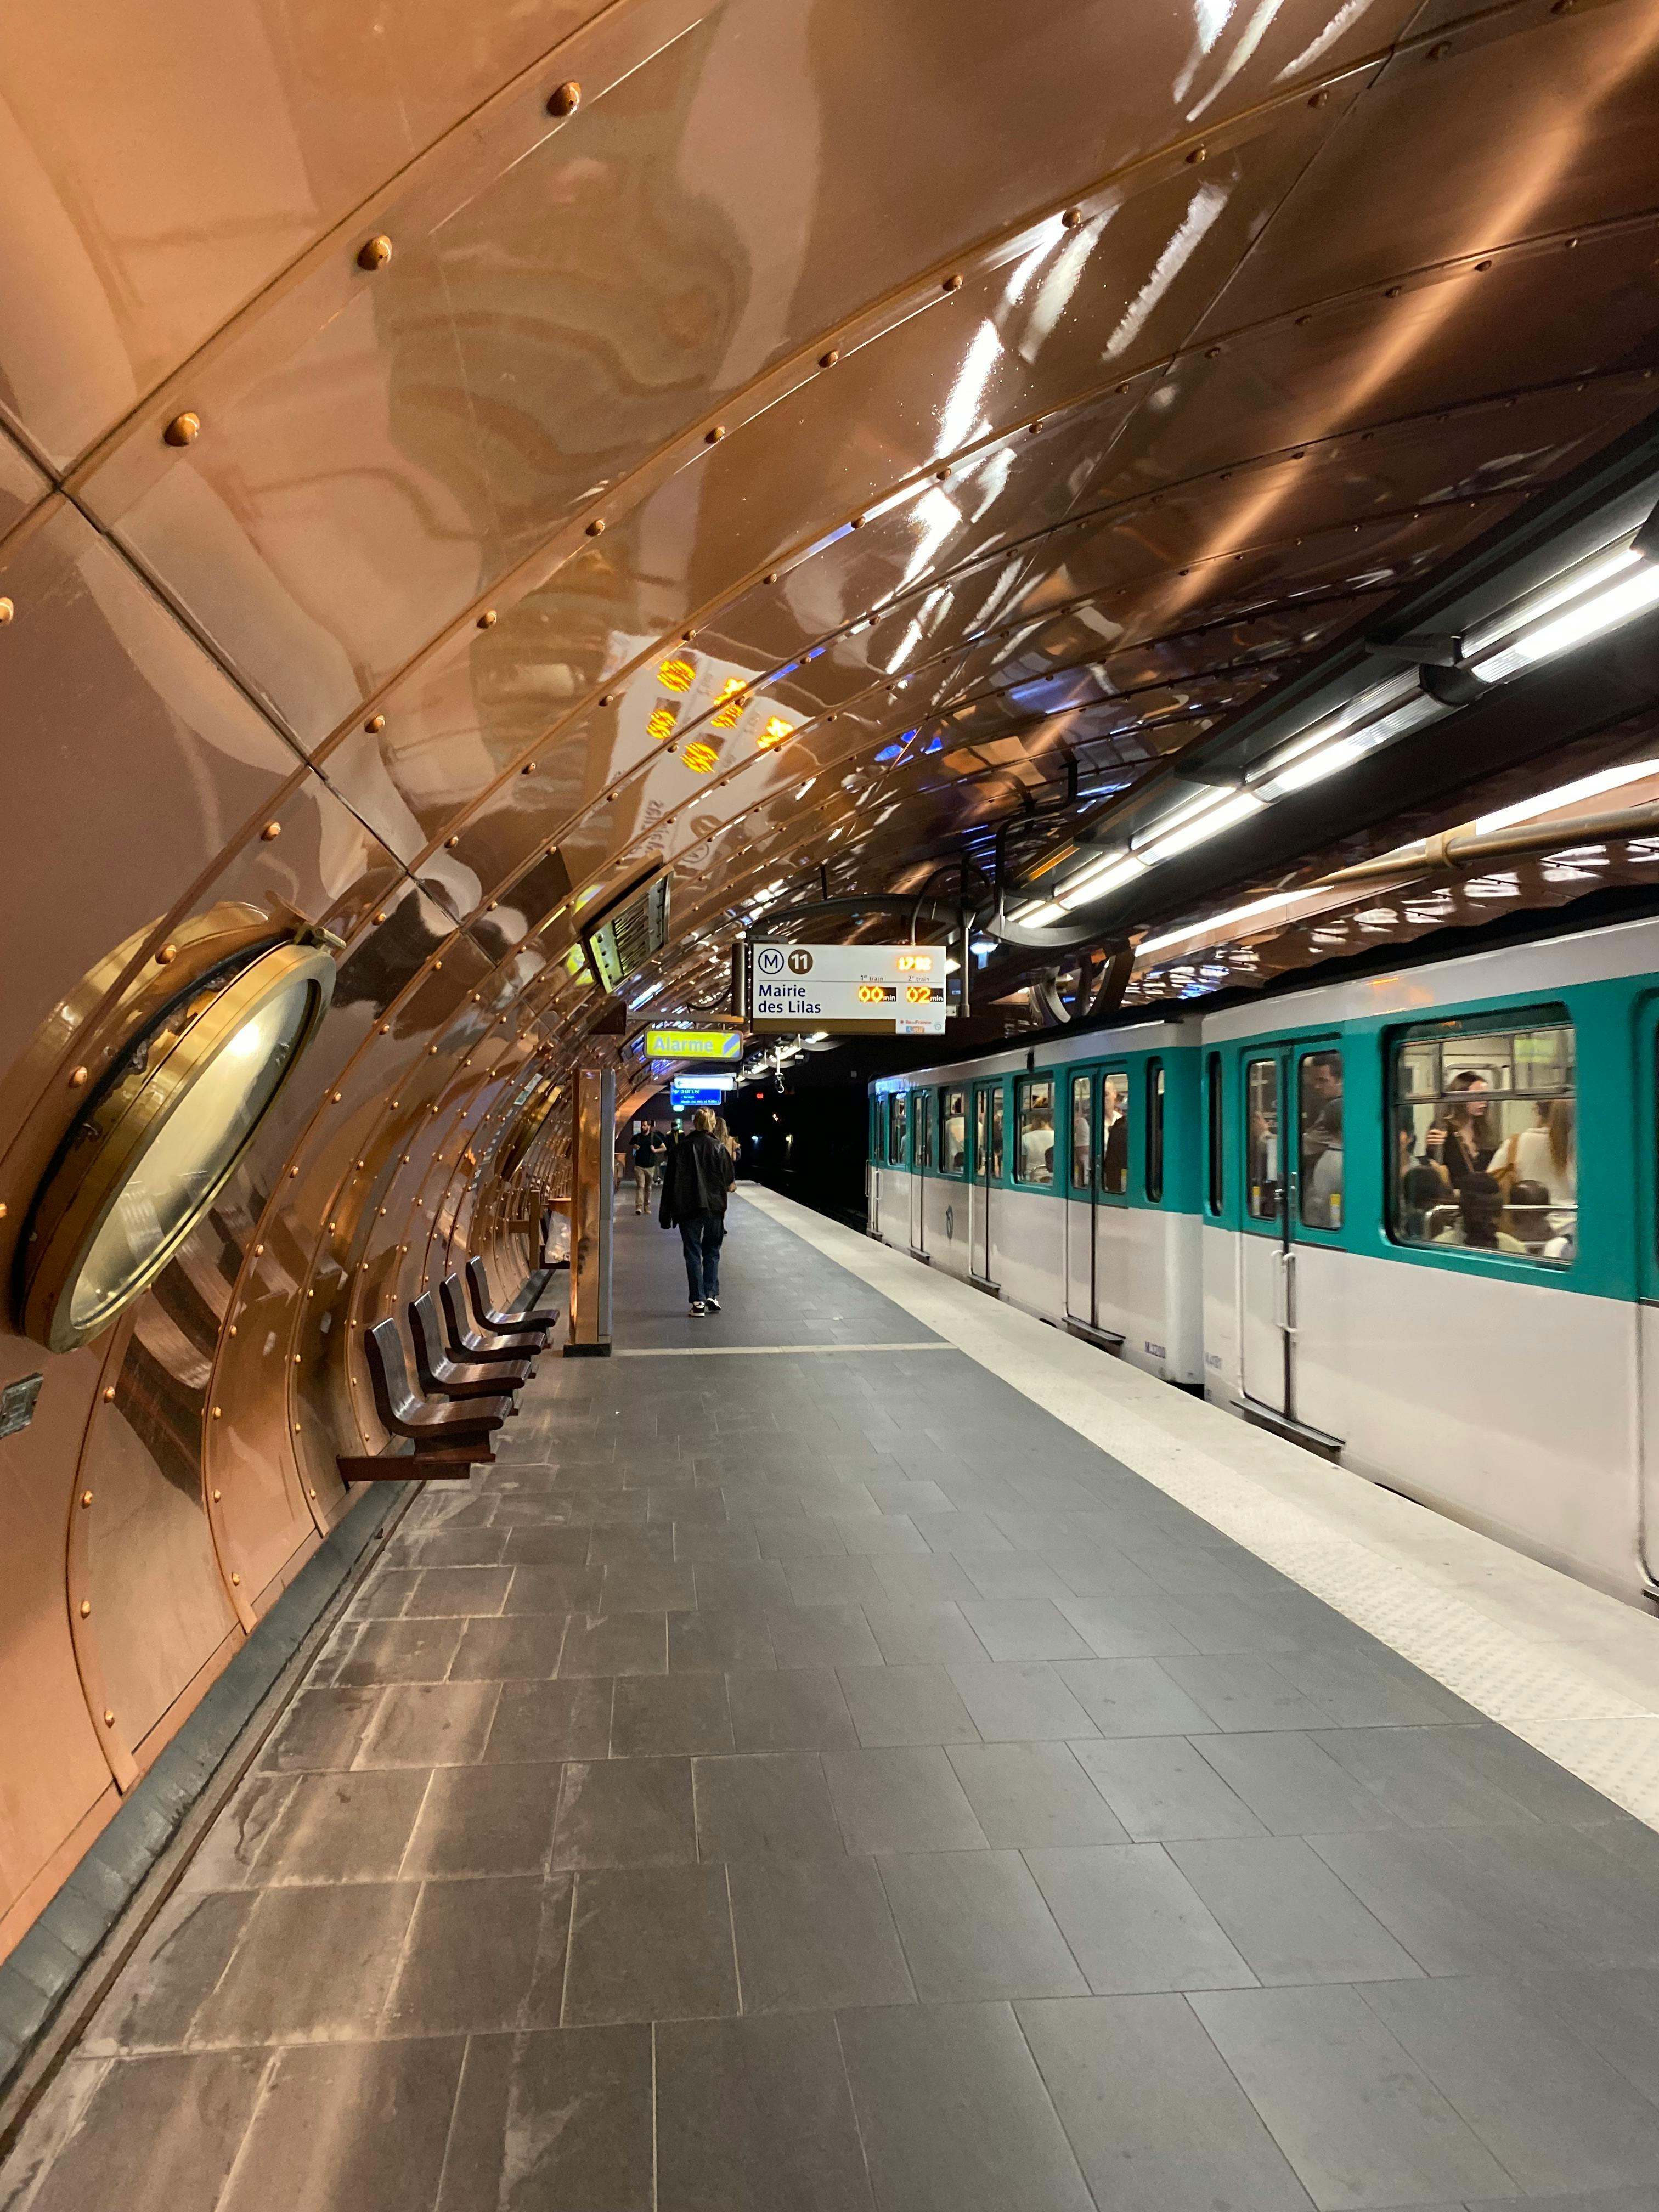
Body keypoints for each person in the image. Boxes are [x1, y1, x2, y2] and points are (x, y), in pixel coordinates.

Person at [659, 1105, 736, 1313]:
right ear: (712, 1124)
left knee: (692, 1253)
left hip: (688, 1209)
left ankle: (698, 1302)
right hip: (714, 1209)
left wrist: (665, 1215)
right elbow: (729, 1180)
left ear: (694, 1123)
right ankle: (711, 1294)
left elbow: (670, 1184)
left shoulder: (680, 1148)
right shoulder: (719, 1148)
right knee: (712, 1252)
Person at [1425, 1069, 1496, 1188]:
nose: (1484, 1102)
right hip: (1455, 1197)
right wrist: (1432, 1147)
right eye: (1477, 1097)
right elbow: (1435, 1165)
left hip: (1482, 1197)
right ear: (1460, 1098)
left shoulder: (1484, 1129)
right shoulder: (1443, 1128)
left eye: (1485, 1096)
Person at [1432, 1170, 1525, 1253]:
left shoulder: (1515, 1250)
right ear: (1464, 1210)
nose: (1494, 1221)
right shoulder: (1441, 1249)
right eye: (1485, 1215)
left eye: (1497, 1213)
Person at [629, 1121, 666, 1215]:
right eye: (642, 1126)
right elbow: (630, 1145)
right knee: (640, 1186)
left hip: (650, 1166)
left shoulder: (654, 1138)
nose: (643, 1127)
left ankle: (647, 1206)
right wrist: (634, 1147)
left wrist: (655, 1150)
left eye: (645, 1125)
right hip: (639, 1166)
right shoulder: (637, 1137)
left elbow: (664, 1148)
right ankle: (639, 1207)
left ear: (649, 1127)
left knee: (648, 1187)